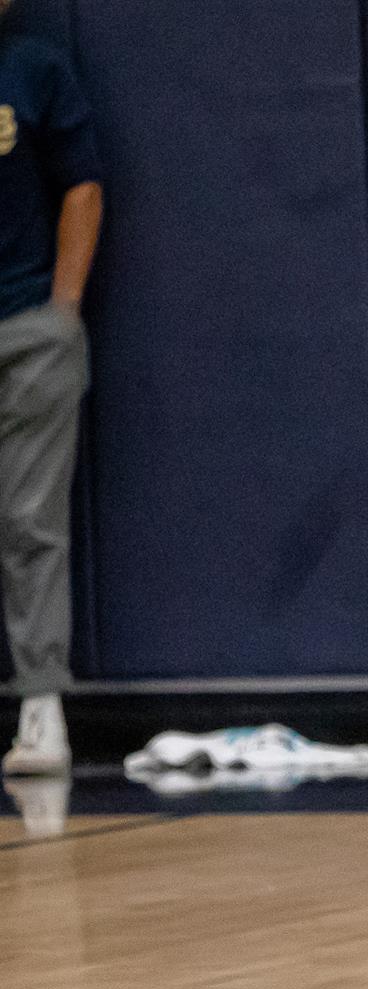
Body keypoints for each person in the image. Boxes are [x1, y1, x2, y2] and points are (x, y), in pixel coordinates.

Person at [0, 0, 101, 777]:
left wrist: (61, 312)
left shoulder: (34, 68)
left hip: (25, 330)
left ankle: (41, 708)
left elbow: (82, 187)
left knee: (30, 520)